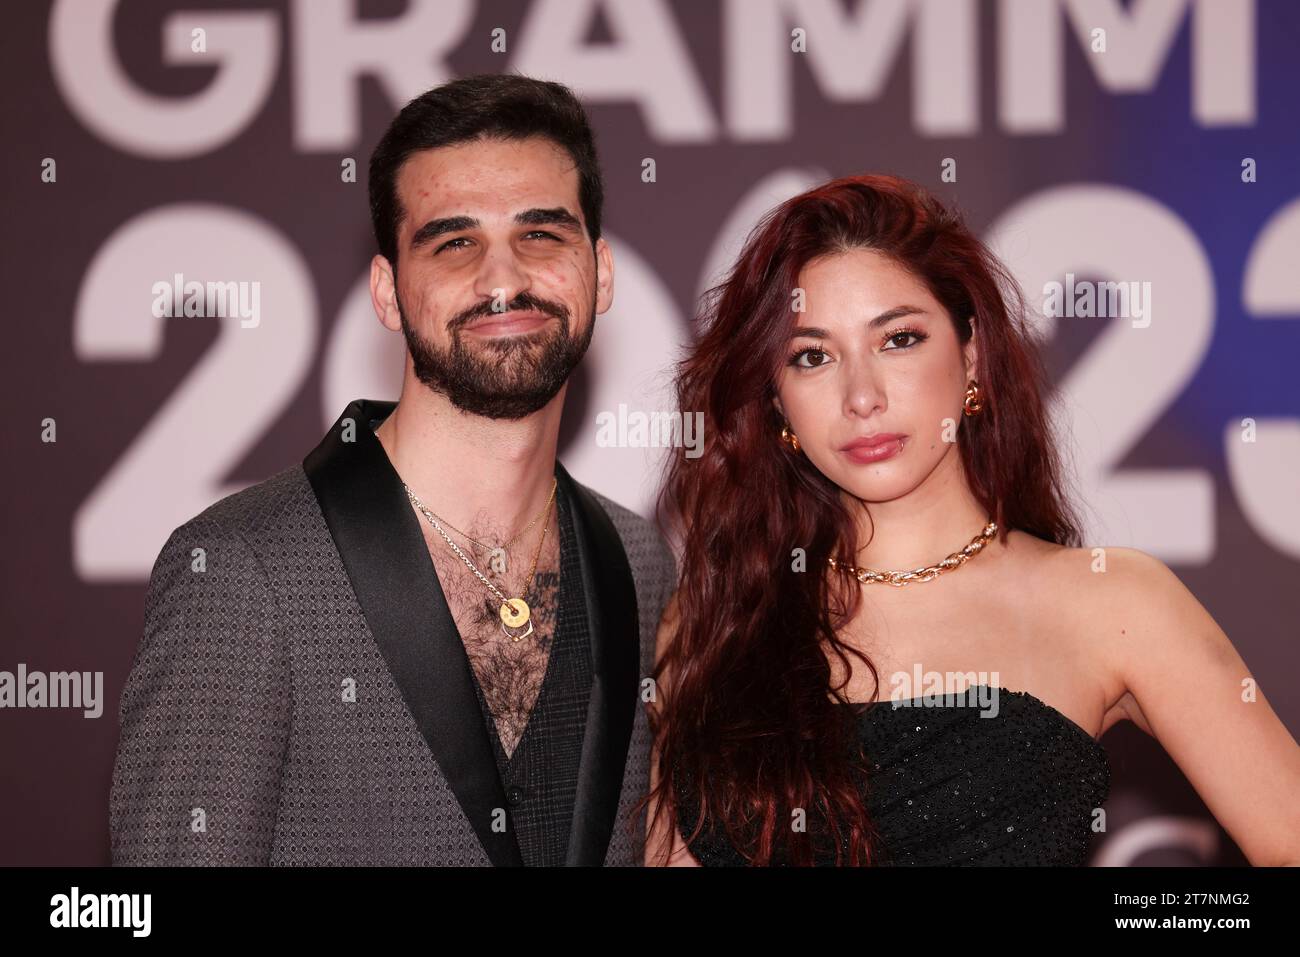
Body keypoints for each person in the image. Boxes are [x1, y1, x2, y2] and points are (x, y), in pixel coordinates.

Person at [641, 173, 1300, 866]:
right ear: (776, 402)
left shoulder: (1115, 602)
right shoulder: (713, 621)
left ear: (972, 354)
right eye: (813, 356)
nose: (861, 396)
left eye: (898, 339)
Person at [110, 73, 676, 866]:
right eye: (455, 242)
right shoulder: (243, 570)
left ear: (600, 271)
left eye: (542, 234)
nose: (503, 277)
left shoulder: (638, 562)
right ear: (387, 292)